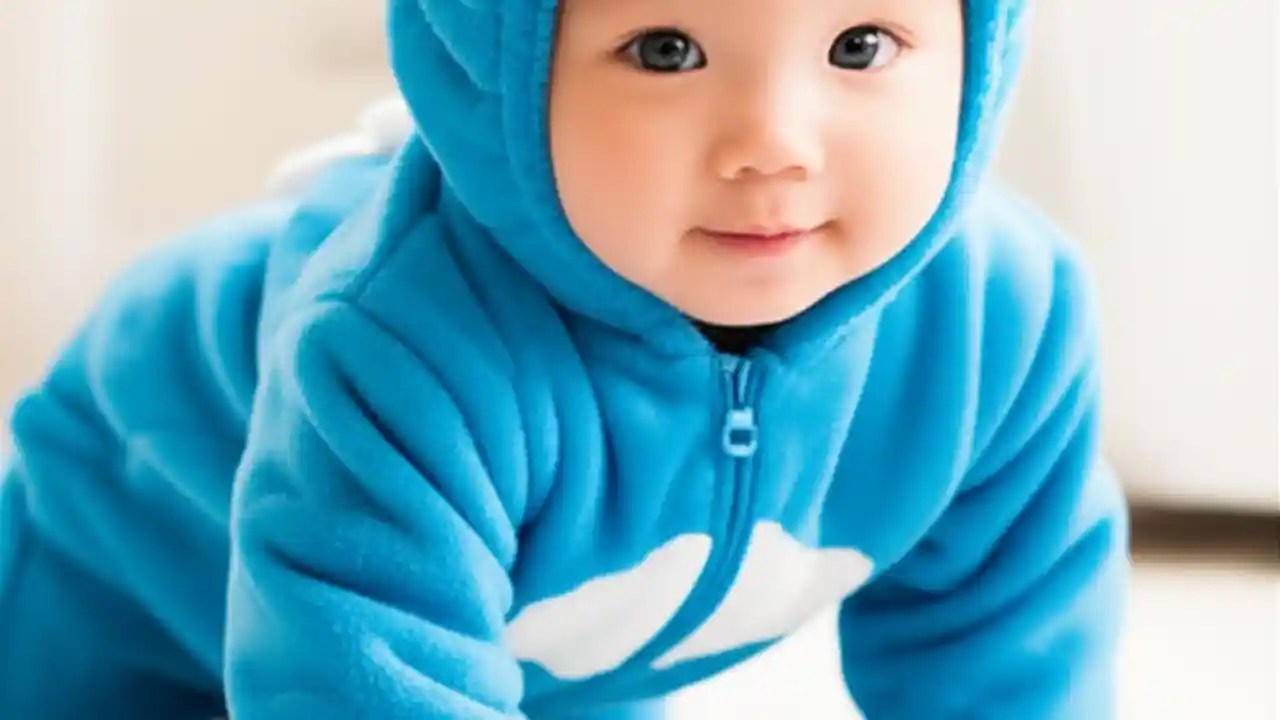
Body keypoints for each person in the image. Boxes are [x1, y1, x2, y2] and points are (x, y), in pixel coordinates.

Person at [0, 0, 1130, 717]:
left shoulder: (1001, 323)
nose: (772, 144)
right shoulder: (399, 349)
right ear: (505, 66)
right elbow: (359, 675)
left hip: (556, 639)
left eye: (860, 46)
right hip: (128, 547)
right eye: (666, 50)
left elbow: (1007, 655)